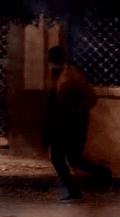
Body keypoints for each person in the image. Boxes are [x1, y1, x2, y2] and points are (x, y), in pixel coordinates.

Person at [43, 45, 111, 201]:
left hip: (74, 125)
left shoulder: (72, 75)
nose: (52, 61)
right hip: (60, 125)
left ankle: (95, 177)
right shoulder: (53, 75)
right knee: (64, 158)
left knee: (71, 159)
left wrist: (78, 112)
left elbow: (91, 97)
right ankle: (79, 188)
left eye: (54, 58)